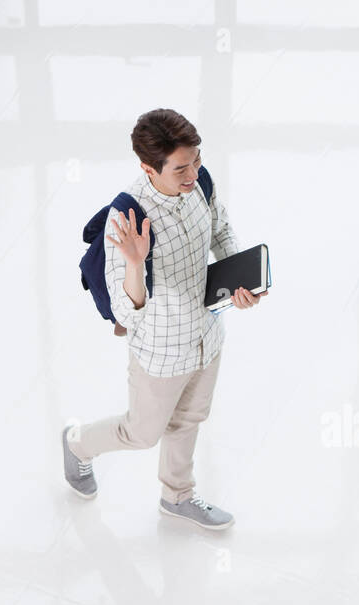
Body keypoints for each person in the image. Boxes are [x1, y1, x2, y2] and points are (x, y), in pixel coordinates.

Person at [61, 108, 265, 529]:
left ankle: (178, 496)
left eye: (196, 160)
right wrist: (134, 263)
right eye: (180, 168)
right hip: (160, 351)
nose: (192, 173)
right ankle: (78, 444)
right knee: (142, 433)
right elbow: (126, 312)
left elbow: (221, 229)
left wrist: (238, 278)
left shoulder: (200, 185)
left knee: (189, 420)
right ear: (148, 168)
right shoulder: (128, 218)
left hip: (207, 334)